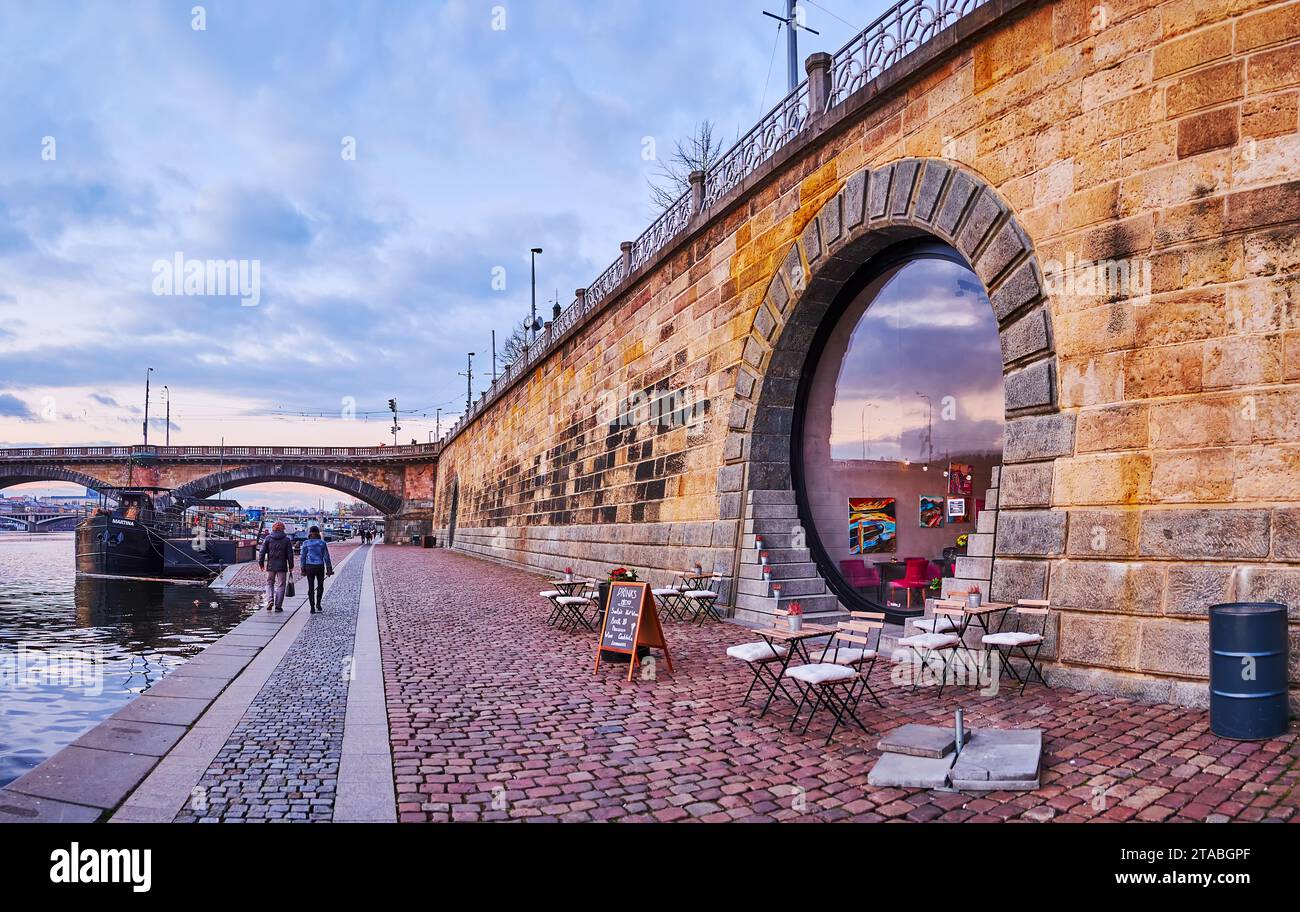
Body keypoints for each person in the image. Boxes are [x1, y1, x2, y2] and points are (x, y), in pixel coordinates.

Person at [258, 521, 294, 612]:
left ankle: (270, 600)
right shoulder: (286, 540)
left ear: (273, 528)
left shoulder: (268, 538)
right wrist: (291, 565)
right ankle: (278, 606)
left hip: (271, 565)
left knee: (269, 583)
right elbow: (290, 554)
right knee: (281, 585)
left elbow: (262, 552)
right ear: (283, 529)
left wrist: (261, 563)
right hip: (282, 566)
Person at [299, 525, 334, 613]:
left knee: (311, 587)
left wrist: (302, 568)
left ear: (310, 533)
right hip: (319, 566)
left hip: (309, 566)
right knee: (320, 586)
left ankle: (312, 607)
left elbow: (302, 557)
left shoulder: (306, 543)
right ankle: (318, 604)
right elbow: (326, 557)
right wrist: (329, 569)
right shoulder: (322, 543)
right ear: (318, 533)